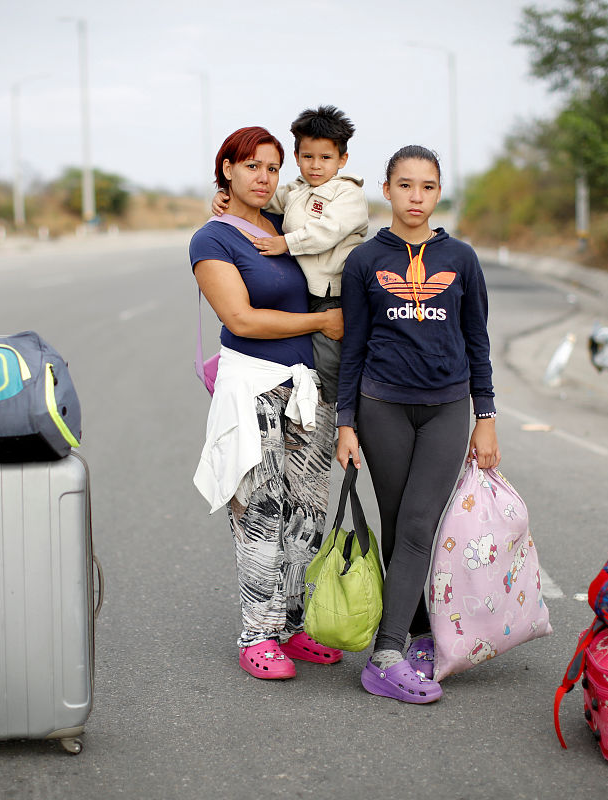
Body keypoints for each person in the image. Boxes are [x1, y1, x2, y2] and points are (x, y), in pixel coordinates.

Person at [335, 145, 500, 704]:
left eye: (427, 187)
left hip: (446, 409)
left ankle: (386, 653)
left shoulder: (461, 259)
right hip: (381, 405)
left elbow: (476, 341)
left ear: (438, 192)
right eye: (405, 186)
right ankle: (420, 634)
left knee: (418, 525)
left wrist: (486, 417)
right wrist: (346, 422)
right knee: (398, 523)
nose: (415, 197)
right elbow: (353, 345)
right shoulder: (363, 262)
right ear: (387, 189)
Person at [191, 126, 346, 680]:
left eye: (273, 168)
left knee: (307, 512)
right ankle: (256, 634)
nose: (264, 177)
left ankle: (293, 624)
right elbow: (241, 318)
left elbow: (340, 228)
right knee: (260, 513)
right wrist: (323, 321)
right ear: (227, 169)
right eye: (252, 165)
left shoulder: (285, 227)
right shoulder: (213, 240)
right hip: (252, 385)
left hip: (307, 389)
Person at [212, 105, 368, 403]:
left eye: (326, 158)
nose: (315, 166)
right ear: (297, 158)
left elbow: (328, 230)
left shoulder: (347, 194)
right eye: (307, 157)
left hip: (334, 293)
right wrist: (224, 195)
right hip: (311, 300)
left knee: (331, 362)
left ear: (342, 159)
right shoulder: (296, 190)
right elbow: (266, 199)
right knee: (322, 359)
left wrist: (287, 243)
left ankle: (344, 415)